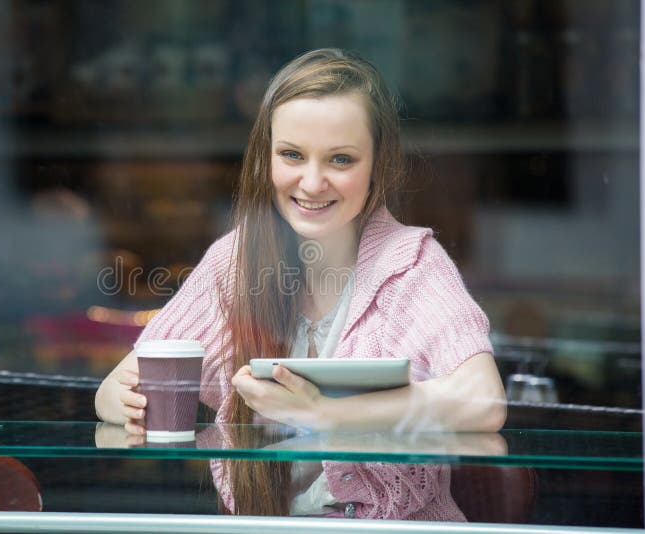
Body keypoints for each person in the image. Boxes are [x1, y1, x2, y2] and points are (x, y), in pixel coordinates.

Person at [95, 48, 506, 520]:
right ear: (264, 157)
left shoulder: (411, 266)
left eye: (341, 159)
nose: (312, 182)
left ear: (379, 163)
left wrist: (326, 414)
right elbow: (115, 388)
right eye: (292, 154)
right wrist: (118, 401)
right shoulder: (235, 261)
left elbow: (484, 402)